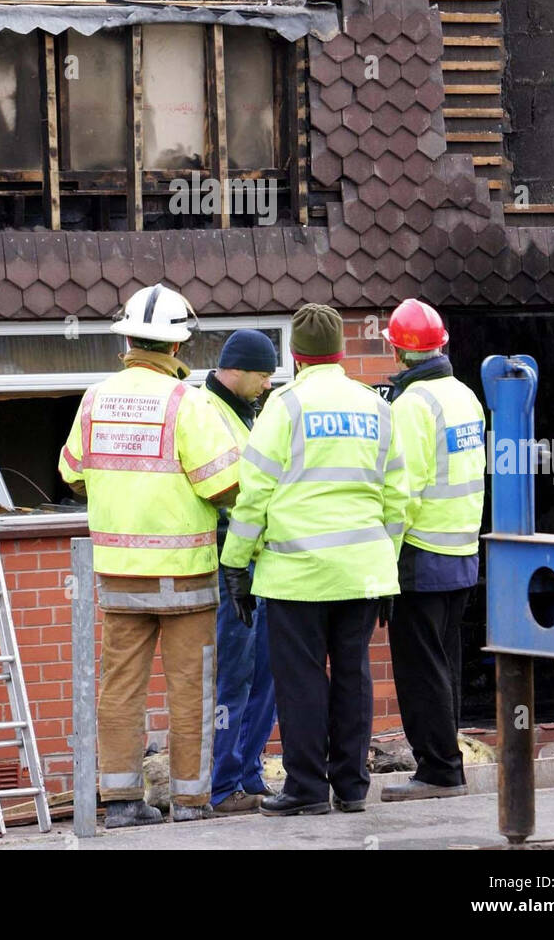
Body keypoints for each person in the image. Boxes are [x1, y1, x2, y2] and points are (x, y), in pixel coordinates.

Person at [58, 284, 240, 830]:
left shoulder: (94, 398)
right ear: (178, 347)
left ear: (128, 341)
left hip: (118, 577)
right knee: (190, 688)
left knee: (120, 687)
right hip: (185, 578)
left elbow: (71, 475)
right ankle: (189, 802)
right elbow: (226, 485)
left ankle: (119, 802)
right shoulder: (190, 403)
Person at [220, 303, 408, 816]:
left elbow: (253, 496)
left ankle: (305, 787)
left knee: (301, 680)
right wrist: (385, 570)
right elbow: (399, 496)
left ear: (296, 357)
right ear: (341, 352)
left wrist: (235, 565)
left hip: (296, 575)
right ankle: (351, 787)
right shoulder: (376, 406)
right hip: (362, 573)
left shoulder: (284, 407)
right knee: (354, 675)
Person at [379, 298, 486, 803]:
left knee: (420, 669)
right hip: (461, 552)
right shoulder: (463, 395)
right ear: (440, 344)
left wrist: (384, 559)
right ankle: (448, 764)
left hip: (421, 556)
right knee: (444, 663)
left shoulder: (411, 406)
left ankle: (439, 771)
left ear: (400, 351)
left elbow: (402, 492)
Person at [202, 329, 278, 815]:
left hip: (261, 561)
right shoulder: (207, 413)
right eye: (263, 375)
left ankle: (248, 774)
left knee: (265, 673)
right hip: (231, 563)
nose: (268, 385)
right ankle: (222, 783)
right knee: (234, 676)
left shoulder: (243, 412)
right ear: (239, 369)